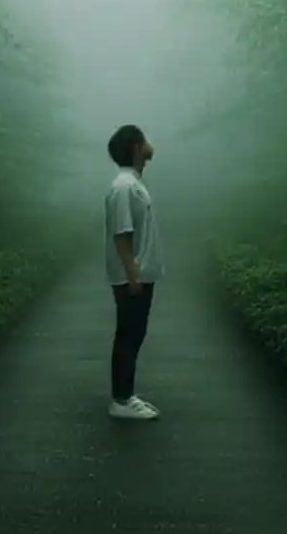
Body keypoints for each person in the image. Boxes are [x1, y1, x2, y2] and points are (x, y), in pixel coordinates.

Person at [104, 124, 165, 420]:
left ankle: (126, 395)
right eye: (145, 139)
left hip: (138, 273)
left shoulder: (133, 183)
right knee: (128, 334)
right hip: (133, 276)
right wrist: (133, 273)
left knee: (134, 334)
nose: (151, 143)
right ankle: (121, 400)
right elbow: (122, 232)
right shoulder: (124, 187)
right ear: (137, 148)